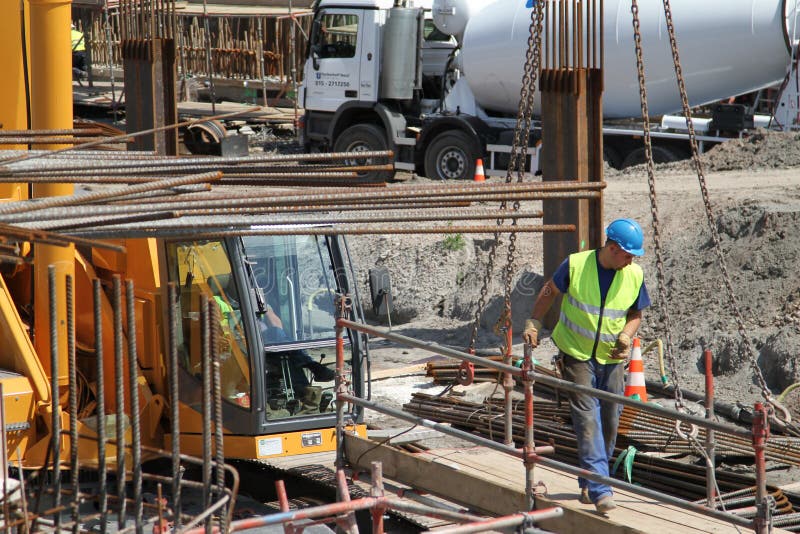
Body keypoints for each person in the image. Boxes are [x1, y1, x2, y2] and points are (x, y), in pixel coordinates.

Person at [522, 218, 651, 514]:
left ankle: (589, 482)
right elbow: (549, 291)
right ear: (614, 248)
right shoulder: (576, 265)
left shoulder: (633, 274)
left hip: (612, 359)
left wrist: (626, 335)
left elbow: (635, 314)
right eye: (629, 254)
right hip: (576, 354)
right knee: (588, 419)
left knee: (609, 420)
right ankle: (601, 489)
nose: (632, 260)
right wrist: (534, 321)